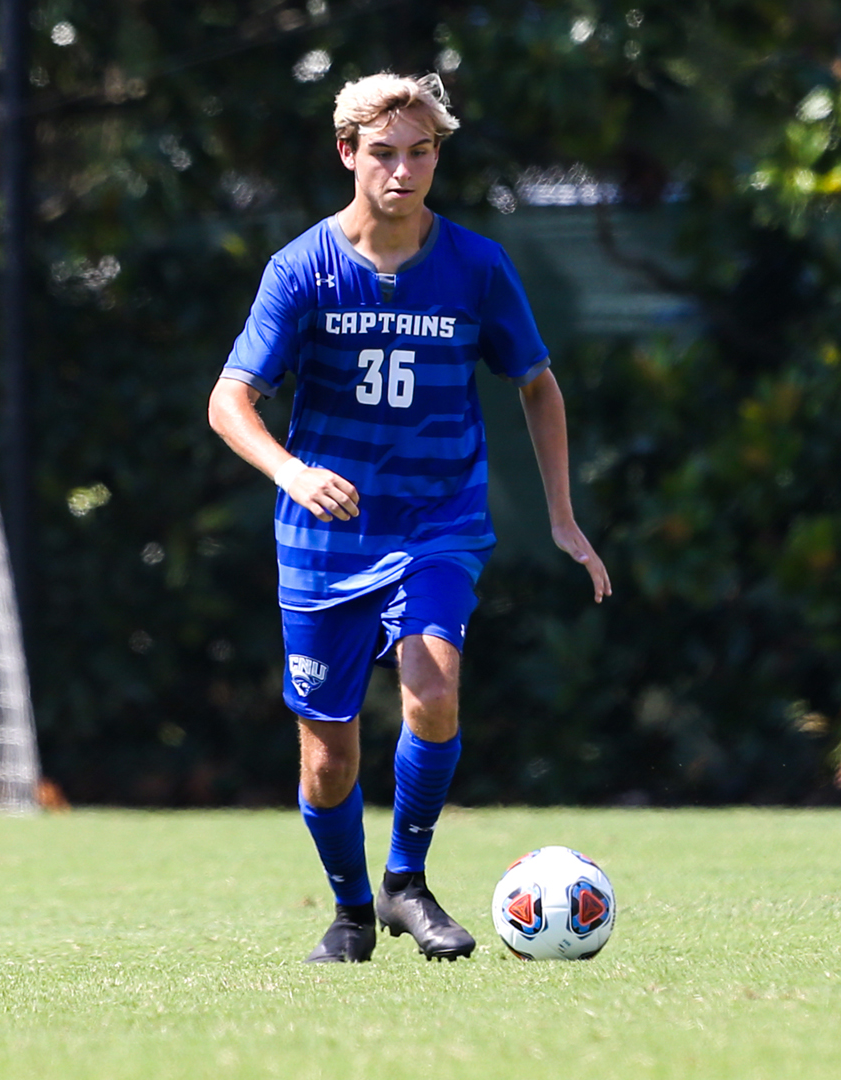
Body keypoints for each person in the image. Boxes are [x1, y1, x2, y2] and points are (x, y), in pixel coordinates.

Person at [207, 72, 611, 963]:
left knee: (431, 690)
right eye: (383, 153)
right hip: (322, 537)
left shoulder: (476, 266)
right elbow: (230, 399)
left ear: (437, 155)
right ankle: (353, 913)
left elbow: (536, 383)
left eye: (420, 151)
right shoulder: (301, 268)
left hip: (437, 521)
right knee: (329, 756)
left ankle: (406, 882)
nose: (402, 170)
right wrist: (291, 470)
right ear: (347, 153)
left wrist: (562, 514)